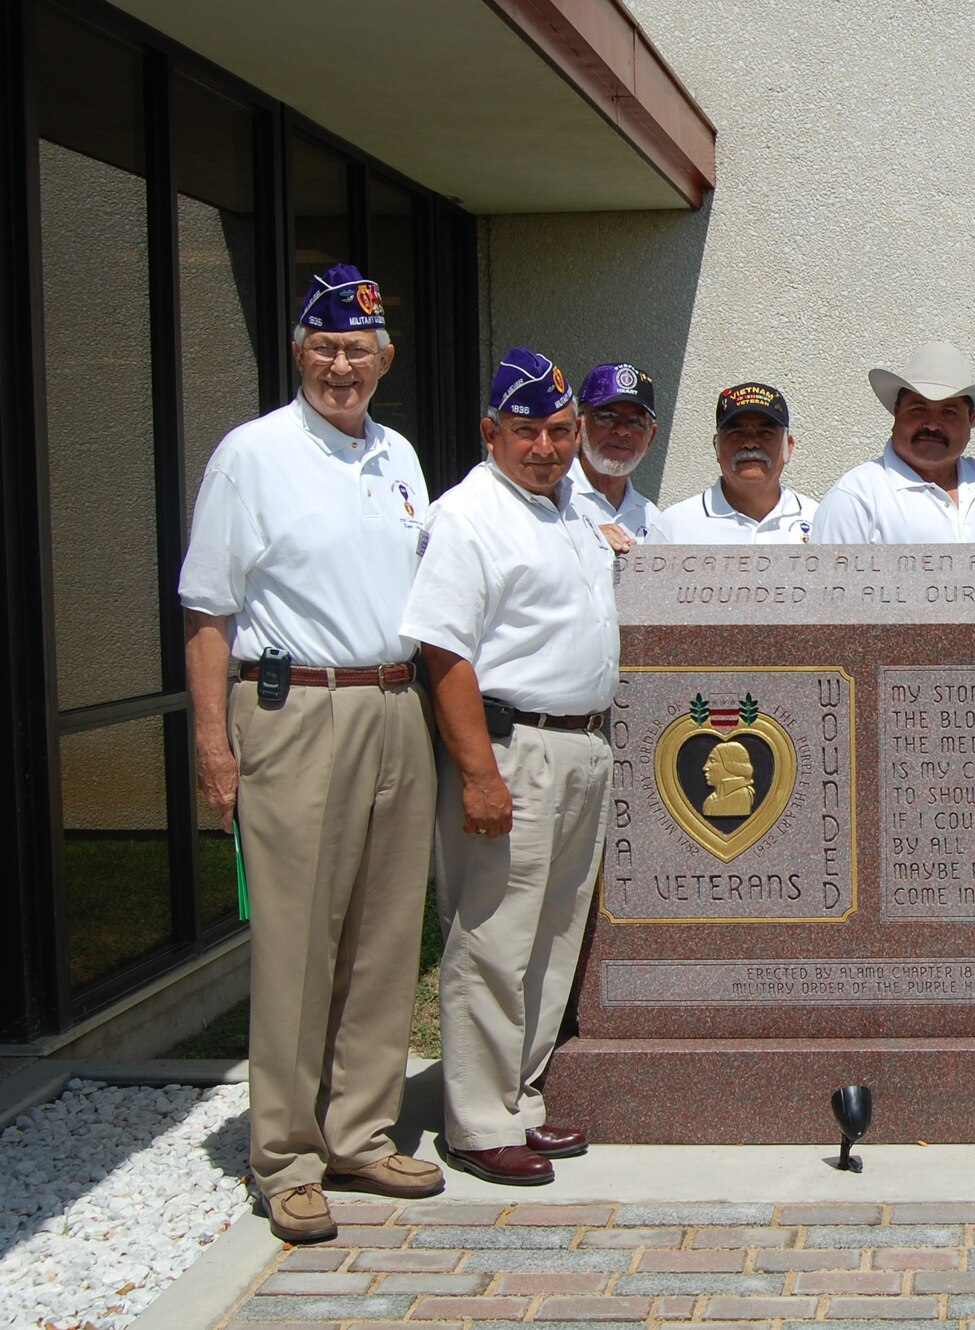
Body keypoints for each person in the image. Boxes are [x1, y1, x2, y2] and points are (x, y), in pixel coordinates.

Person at [179, 263, 442, 1243]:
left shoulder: (400, 456)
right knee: (296, 940)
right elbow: (207, 609)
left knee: (383, 936)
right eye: (326, 347)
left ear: (384, 359)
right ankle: (284, 1154)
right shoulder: (252, 456)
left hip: (392, 705)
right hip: (293, 710)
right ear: (300, 350)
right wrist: (214, 745)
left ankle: (361, 1131)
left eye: (359, 351)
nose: (343, 366)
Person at [401, 347, 619, 1186]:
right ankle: (476, 1120)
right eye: (527, 431)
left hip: (580, 746)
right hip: (511, 750)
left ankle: (518, 1098)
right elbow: (444, 651)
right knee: (492, 939)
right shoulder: (468, 516)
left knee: (551, 938)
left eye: (561, 431)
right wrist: (480, 775)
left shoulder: (570, 509)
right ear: (490, 432)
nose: (547, 447)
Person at [811, 341, 975, 542]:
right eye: (918, 409)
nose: (932, 424)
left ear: (970, 420)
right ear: (897, 411)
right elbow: (828, 579)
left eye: (949, 412)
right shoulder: (856, 497)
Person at [656, 382, 817, 543]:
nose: (750, 443)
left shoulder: (817, 520)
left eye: (766, 433)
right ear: (716, 445)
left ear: (788, 447)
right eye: (736, 433)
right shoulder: (674, 526)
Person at [571, 361, 667, 551]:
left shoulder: (653, 520)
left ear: (651, 437)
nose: (622, 431)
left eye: (635, 422)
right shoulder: (550, 498)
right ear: (577, 427)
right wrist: (584, 539)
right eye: (607, 417)